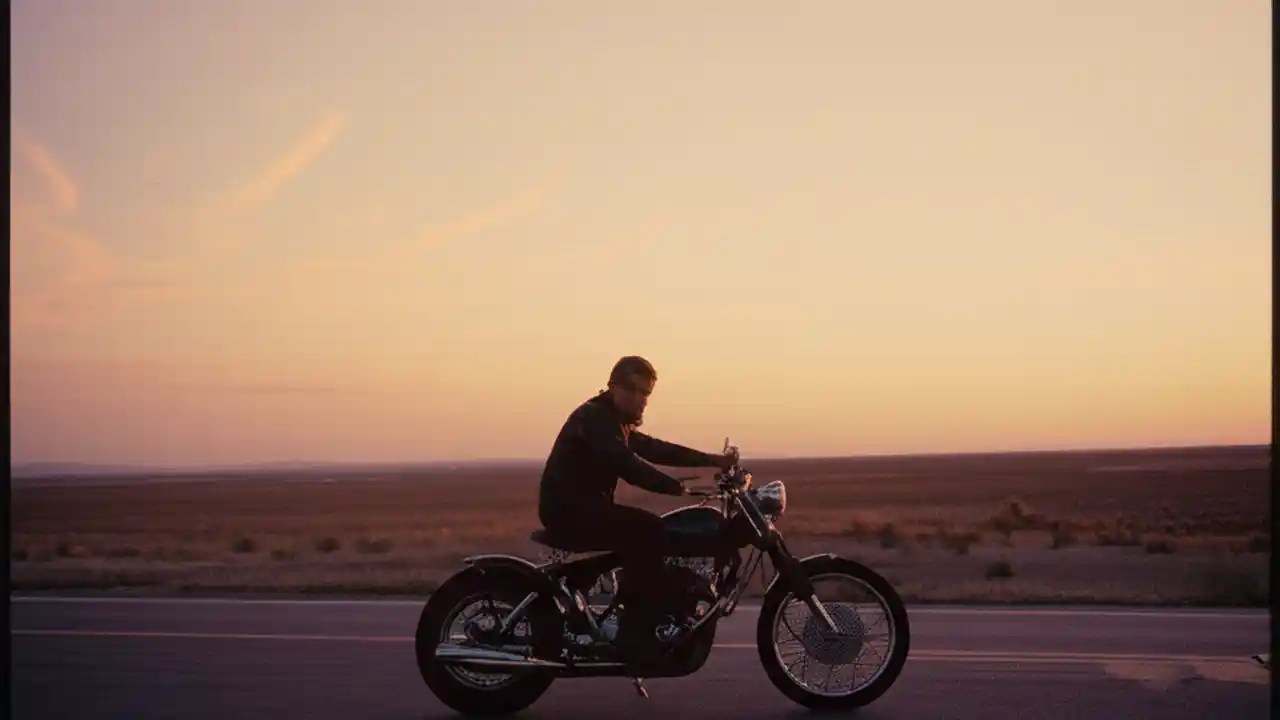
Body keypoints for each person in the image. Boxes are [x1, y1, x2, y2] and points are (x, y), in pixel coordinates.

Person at [538, 356, 737, 667]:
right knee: (648, 530)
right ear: (613, 386)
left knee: (644, 531)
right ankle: (636, 633)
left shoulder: (615, 422)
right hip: (569, 510)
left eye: (646, 393)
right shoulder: (595, 418)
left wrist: (713, 460)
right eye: (633, 390)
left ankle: (643, 613)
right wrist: (676, 488)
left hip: (583, 507)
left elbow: (655, 449)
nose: (640, 399)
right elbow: (626, 464)